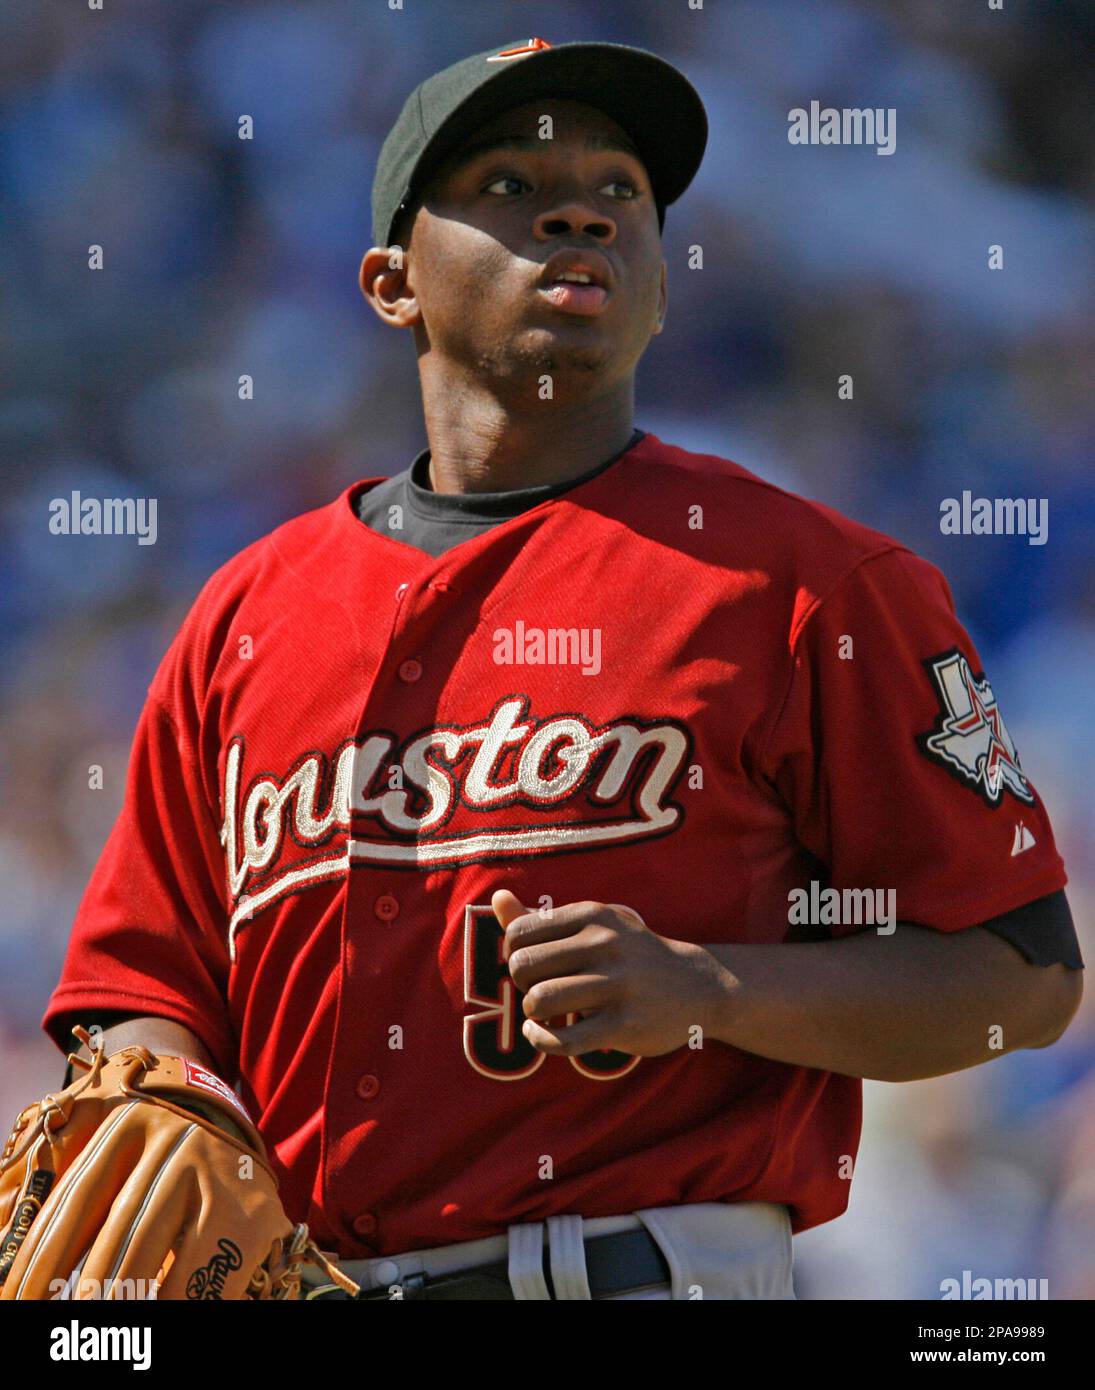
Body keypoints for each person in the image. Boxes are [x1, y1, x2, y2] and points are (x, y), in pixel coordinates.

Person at [39, 37, 1083, 1301]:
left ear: (659, 290)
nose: (579, 206)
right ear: (390, 283)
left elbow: (1018, 981)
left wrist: (711, 987)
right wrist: (174, 1106)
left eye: (619, 191)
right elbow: (137, 988)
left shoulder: (808, 583)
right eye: (507, 187)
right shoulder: (247, 614)